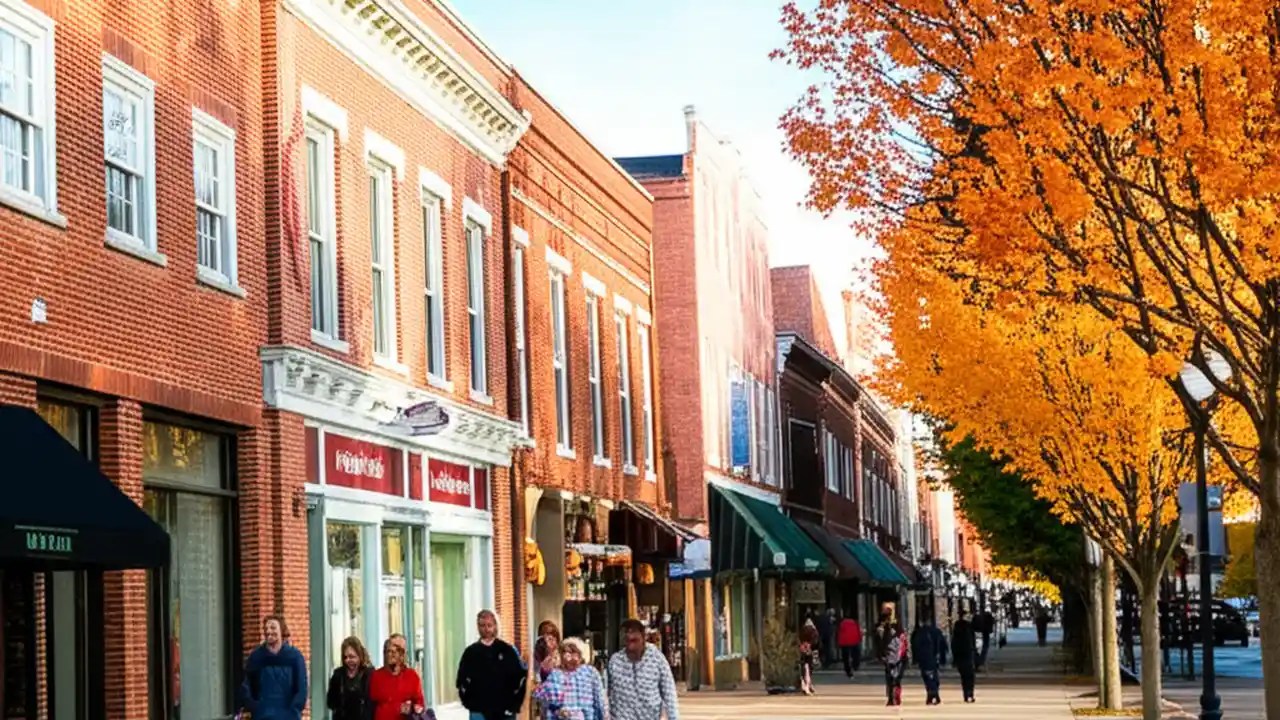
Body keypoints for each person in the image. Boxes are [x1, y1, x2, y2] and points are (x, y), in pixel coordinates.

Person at [457, 609, 528, 720]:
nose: (486, 629)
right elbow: (461, 680)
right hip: (478, 709)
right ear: (478, 626)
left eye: (489, 625)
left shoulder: (507, 650)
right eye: (482, 625)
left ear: (495, 626)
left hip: (504, 709)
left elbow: (519, 678)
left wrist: (514, 705)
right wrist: (468, 701)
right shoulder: (470, 653)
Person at [606, 618, 679, 720]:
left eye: (633, 632)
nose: (629, 635)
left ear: (643, 636)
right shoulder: (615, 661)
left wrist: (673, 717)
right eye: (626, 632)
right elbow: (607, 693)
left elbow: (669, 693)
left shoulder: (657, 659)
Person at [239, 615, 308, 720]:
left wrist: (294, 710)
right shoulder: (256, 657)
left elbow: (301, 688)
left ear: (282, 630)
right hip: (262, 716)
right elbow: (247, 685)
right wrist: (254, 707)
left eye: (273, 628)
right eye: (266, 628)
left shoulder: (295, 656)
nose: (268, 631)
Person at [532, 637, 606, 720]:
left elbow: (600, 701)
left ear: (580, 655)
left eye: (572, 652)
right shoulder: (555, 674)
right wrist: (557, 711)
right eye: (564, 651)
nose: (567, 655)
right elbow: (543, 701)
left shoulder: (590, 672)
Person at [370, 634, 425, 720]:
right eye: (390, 650)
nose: (392, 654)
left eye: (397, 650)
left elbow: (420, 704)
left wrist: (414, 708)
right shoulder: (376, 676)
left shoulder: (412, 676)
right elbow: (371, 708)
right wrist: (397, 708)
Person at [327, 636, 374, 720]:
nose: (348, 660)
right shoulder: (338, 675)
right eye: (345, 657)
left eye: (352, 657)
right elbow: (331, 702)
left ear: (360, 656)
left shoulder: (369, 674)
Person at [911, 619, 945, 705]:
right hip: (934, 658)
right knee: (934, 676)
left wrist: (915, 659)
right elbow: (943, 645)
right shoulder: (936, 631)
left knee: (927, 677)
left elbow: (914, 646)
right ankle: (934, 694)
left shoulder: (918, 632)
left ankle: (932, 694)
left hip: (924, 659)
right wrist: (942, 659)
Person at [951, 609, 978, 703]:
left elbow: (954, 642)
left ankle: (966, 694)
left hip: (960, 654)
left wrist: (954, 657)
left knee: (964, 676)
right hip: (968, 653)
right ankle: (970, 693)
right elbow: (973, 641)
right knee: (970, 675)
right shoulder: (968, 626)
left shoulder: (956, 626)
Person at [879, 622, 908, 707]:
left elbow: (882, 648)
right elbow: (906, 648)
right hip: (900, 660)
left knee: (890, 680)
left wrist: (883, 658)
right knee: (897, 680)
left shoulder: (887, 636)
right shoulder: (902, 635)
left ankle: (891, 699)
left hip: (891, 660)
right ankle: (896, 697)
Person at [836, 613, 862, 678]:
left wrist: (838, 642)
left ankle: (847, 669)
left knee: (846, 657)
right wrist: (860, 639)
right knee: (855, 654)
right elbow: (859, 631)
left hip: (844, 642)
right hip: (854, 640)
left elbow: (839, 633)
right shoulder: (855, 623)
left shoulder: (842, 623)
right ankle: (855, 665)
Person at [798, 619, 819, 695]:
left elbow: (799, 640)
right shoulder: (814, 631)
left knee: (804, 667)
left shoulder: (802, 631)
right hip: (811, 651)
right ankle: (808, 685)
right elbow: (816, 642)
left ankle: (806, 684)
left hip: (803, 650)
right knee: (809, 668)